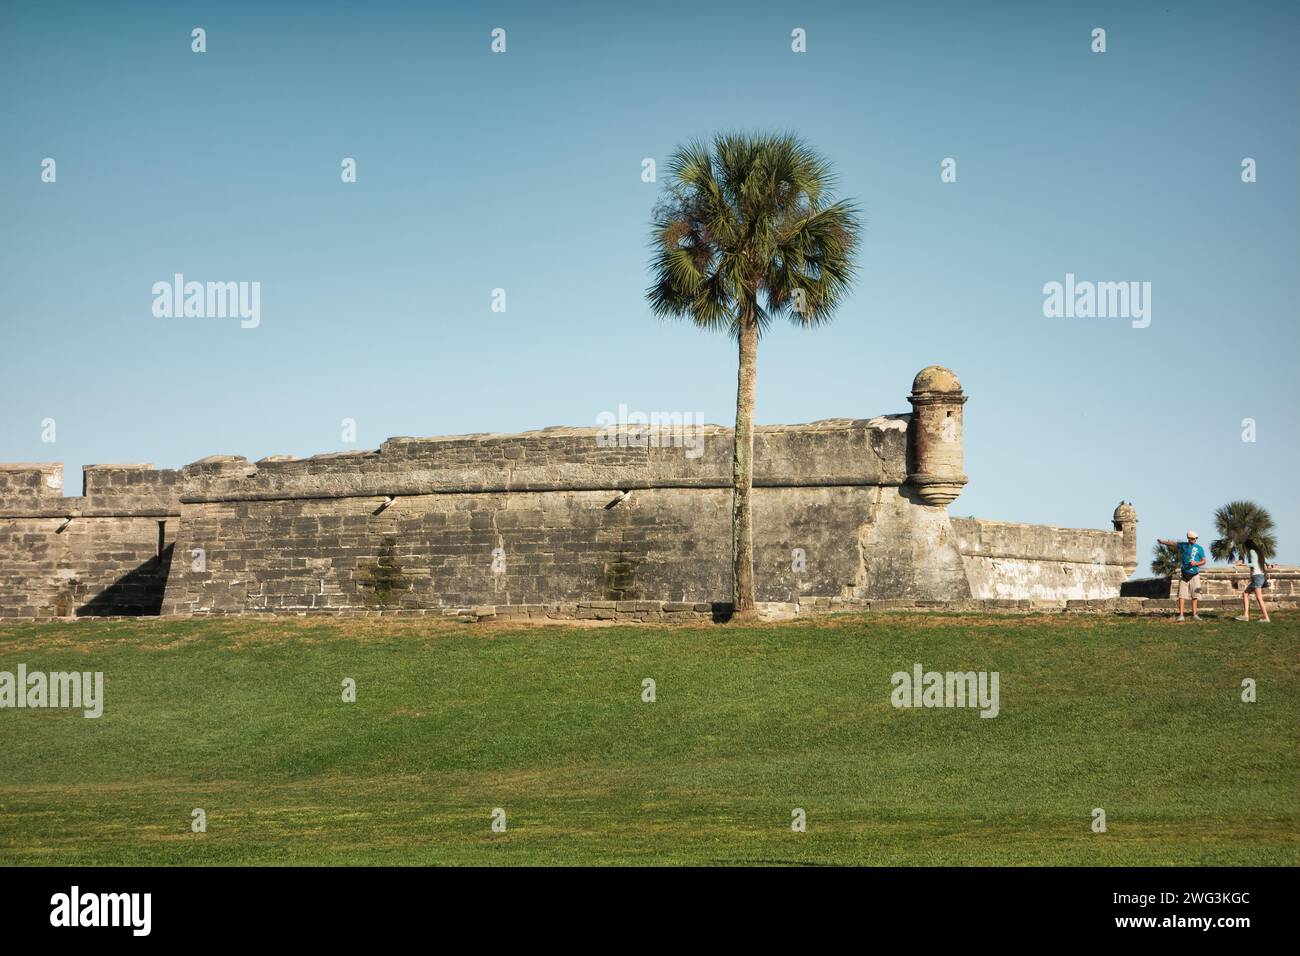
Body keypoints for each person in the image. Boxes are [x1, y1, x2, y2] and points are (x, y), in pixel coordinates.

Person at [1157, 530, 1206, 622]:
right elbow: (1173, 544)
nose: (1195, 540)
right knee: (1182, 595)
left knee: (1195, 595)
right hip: (1184, 574)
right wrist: (1163, 542)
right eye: (1193, 538)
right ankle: (1181, 615)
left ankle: (1195, 614)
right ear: (1189, 539)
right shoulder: (1184, 545)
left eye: (1195, 538)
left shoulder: (1199, 548)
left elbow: (1204, 561)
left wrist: (1196, 563)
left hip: (1195, 575)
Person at [1234, 538, 1272, 623]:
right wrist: (1270, 564)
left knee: (1259, 597)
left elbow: (1253, 564)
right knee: (1245, 593)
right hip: (1260, 576)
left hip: (1257, 577)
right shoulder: (1259, 552)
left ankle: (1266, 618)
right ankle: (1246, 616)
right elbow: (1265, 562)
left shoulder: (1251, 551)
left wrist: (1242, 564)